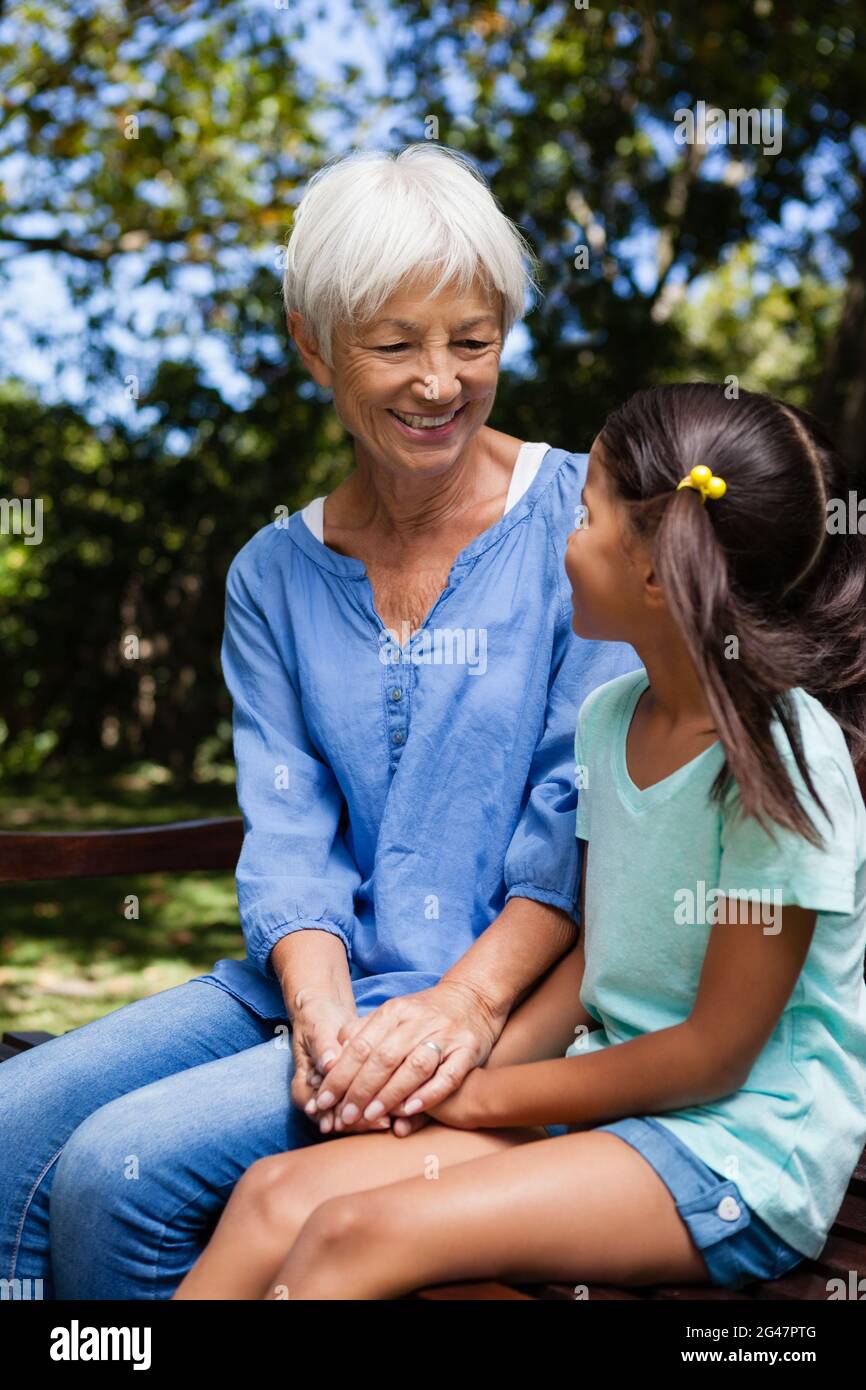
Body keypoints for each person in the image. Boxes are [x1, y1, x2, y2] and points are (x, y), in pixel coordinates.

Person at [0, 144, 641, 1298]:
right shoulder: (272, 574)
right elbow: (288, 832)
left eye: (473, 340)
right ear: (313, 343)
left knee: (113, 1176)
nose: (438, 381)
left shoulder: (582, 521)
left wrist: (462, 1001)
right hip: (311, 984)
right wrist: (322, 1021)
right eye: (393, 344)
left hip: (502, 1004)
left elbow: (576, 815)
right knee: (10, 1126)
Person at [173, 383, 866, 1300]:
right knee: (270, 1200)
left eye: (584, 519)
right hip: (606, 1108)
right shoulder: (611, 718)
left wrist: (480, 1097)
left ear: (658, 570)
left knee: (352, 1236)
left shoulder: (780, 754)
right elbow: (597, 968)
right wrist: (440, 1074)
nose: (560, 542)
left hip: (738, 1147)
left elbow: (713, 1055)